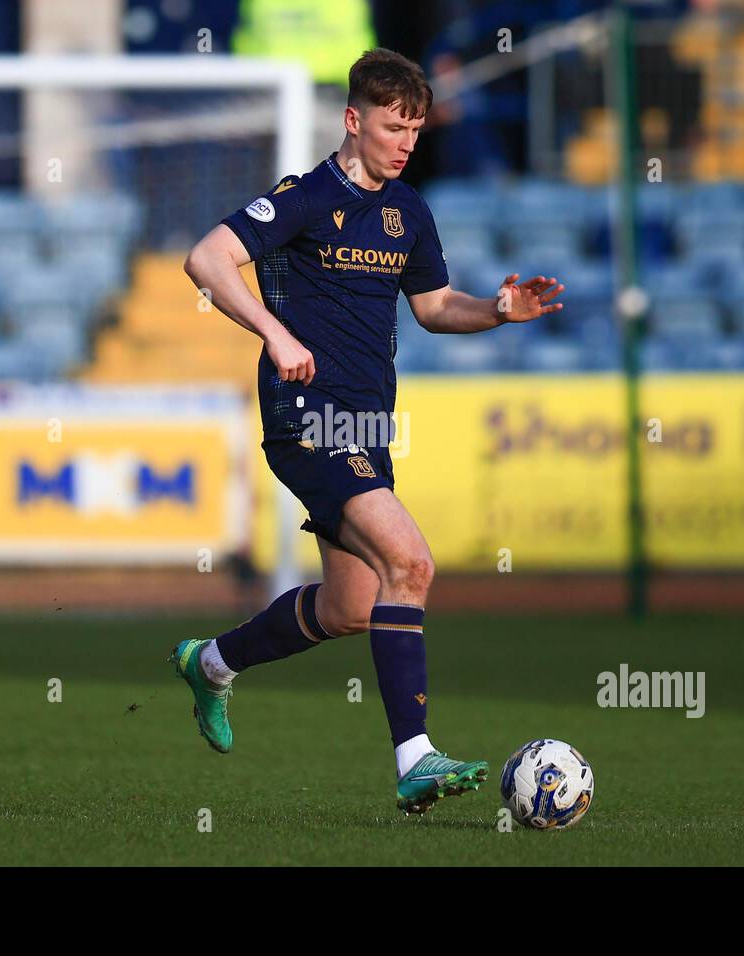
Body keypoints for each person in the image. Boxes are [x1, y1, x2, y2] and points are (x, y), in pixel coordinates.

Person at [177, 47, 565, 815]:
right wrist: (273, 335)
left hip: (364, 427)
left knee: (353, 607)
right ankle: (414, 757)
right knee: (411, 564)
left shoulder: (408, 211)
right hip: (307, 418)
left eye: (415, 131)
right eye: (393, 128)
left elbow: (432, 307)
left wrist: (495, 310)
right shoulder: (305, 198)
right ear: (353, 121)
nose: (405, 143)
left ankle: (212, 663)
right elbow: (207, 257)